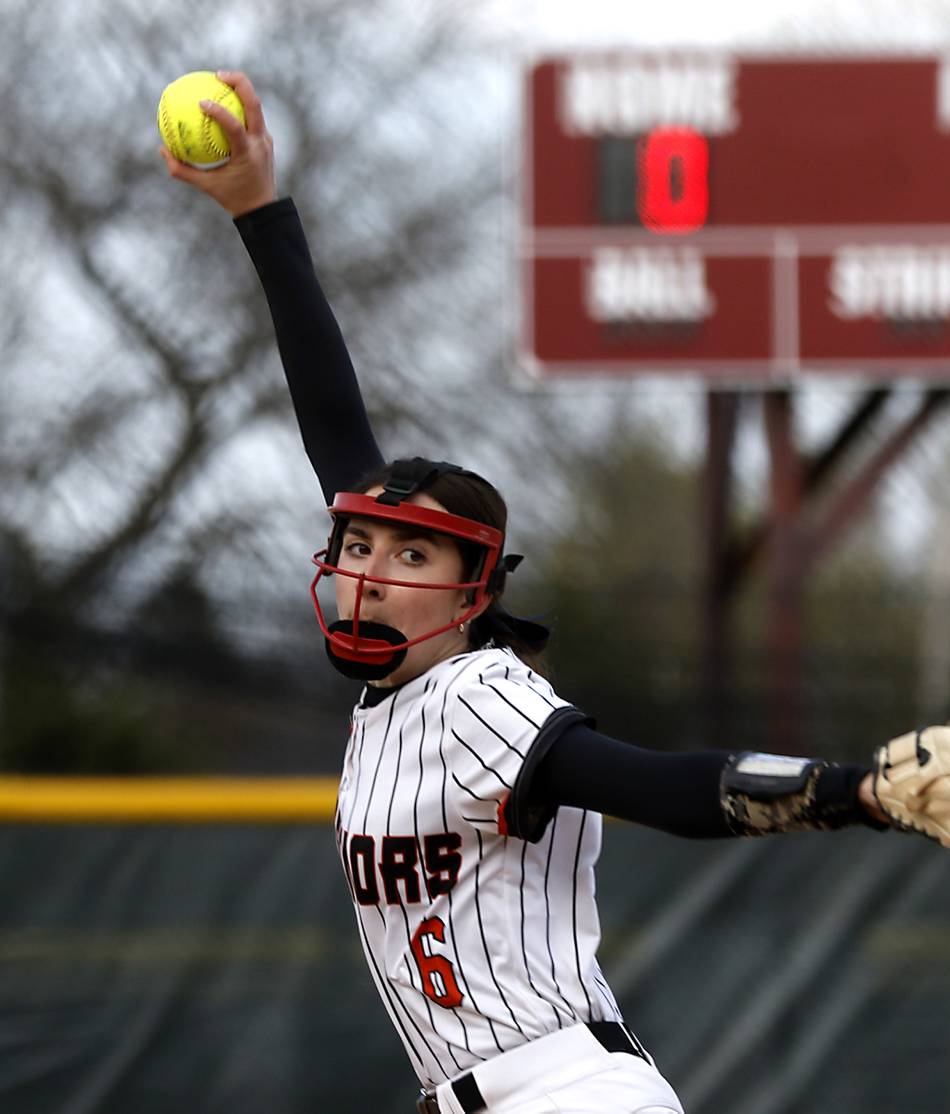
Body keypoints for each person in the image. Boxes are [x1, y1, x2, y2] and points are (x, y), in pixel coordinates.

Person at [163, 72, 893, 1114]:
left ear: (472, 594)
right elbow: (333, 419)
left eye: (412, 558)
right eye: (359, 543)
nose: (370, 569)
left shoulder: (478, 697)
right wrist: (258, 211)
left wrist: (861, 792)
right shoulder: (400, 702)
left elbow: (657, 787)